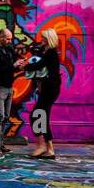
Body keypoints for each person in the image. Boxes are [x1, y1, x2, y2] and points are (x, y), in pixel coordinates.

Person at [21, 28, 61, 159]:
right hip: (50, 89)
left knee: (38, 116)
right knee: (40, 116)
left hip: (50, 89)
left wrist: (23, 66)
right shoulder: (49, 52)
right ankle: (47, 148)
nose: (42, 40)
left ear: (49, 39)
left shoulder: (50, 53)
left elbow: (38, 65)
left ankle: (44, 146)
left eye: (44, 38)